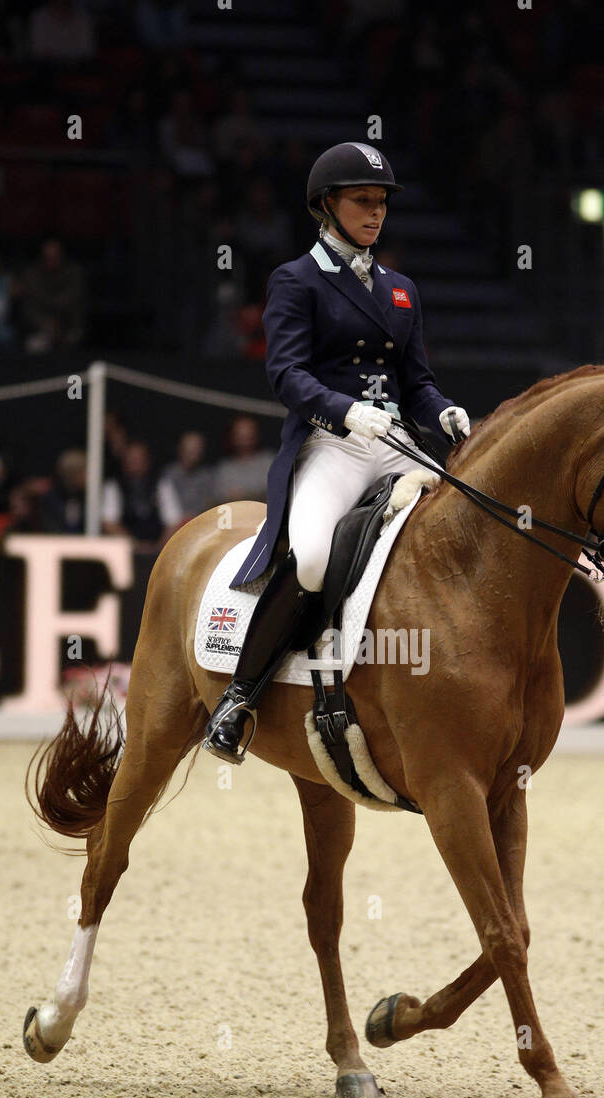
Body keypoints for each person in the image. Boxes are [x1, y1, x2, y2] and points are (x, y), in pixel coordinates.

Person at [203, 141, 470, 762]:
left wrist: (444, 411)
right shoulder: (296, 280)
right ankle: (240, 696)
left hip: (399, 442)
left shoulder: (401, 289)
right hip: (335, 442)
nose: (375, 213)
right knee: (316, 557)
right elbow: (285, 374)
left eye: (380, 202)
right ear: (327, 206)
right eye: (362, 201)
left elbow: (417, 382)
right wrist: (347, 411)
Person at [213, 414, 271, 503]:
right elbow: (217, 498)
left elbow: (276, 490)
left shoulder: (269, 461)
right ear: (232, 436)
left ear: (256, 435)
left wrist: (245, 495)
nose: (245, 439)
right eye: (240, 435)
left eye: (249, 434)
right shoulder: (224, 468)